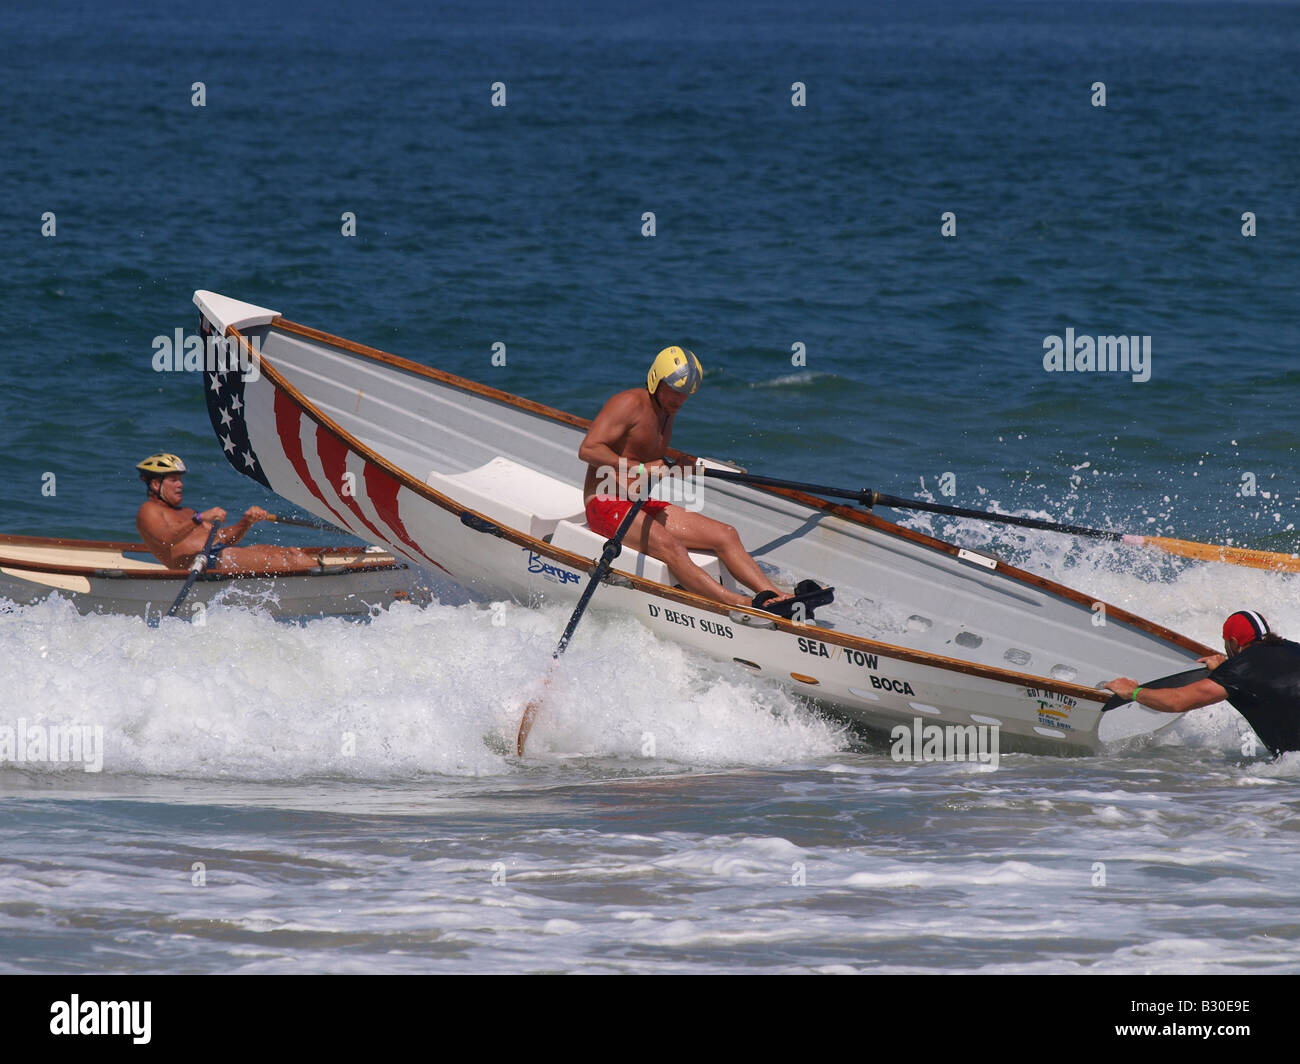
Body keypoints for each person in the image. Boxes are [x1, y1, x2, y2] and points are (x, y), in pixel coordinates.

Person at [577, 347, 831, 618]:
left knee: (726, 534)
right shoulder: (628, 403)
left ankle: (775, 598)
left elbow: (644, 455)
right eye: (674, 390)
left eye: (686, 393)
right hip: (604, 503)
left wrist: (676, 465)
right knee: (671, 547)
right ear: (656, 380)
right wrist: (642, 467)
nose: (679, 399)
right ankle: (738, 603)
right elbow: (589, 450)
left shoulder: (666, 410)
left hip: (639, 502)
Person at [1105, 610, 1300, 757]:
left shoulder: (1240, 670)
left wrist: (1132, 692)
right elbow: (1263, 685)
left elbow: (1177, 701)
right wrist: (1223, 672)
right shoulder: (1294, 648)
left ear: (1233, 642)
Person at [134, 453, 321, 573]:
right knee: (282, 561)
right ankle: (326, 582)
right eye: (174, 480)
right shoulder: (149, 510)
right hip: (204, 564)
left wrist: (245, 522)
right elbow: (165, 539)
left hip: (223, 553)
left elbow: (223, 538)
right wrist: (199, 518)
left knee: (292, 553)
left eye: (180, 480)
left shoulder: (187, 512)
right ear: (156, 484)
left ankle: (328, 576)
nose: (180, 485)